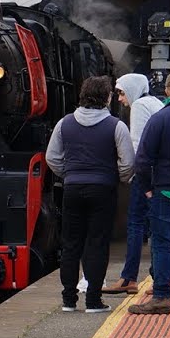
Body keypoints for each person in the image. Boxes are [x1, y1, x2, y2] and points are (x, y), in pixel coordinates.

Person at [46, 76, 134, 314]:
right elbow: (128, 162)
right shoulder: (116, 126)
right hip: (103, 190)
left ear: (83, 96)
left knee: (71, 243)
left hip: (73, 189)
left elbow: (52, 157)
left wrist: (70, 174)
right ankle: (93, 301)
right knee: (97, 243)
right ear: (106, 98)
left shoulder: (64, 124)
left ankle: (68, 300)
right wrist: (117, 178)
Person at [104, 73, 166, 295]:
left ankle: (129, 278)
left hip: (146, 174)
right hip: (160, 173)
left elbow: (137, 144)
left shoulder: (139, 105)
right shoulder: (155, 102)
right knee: (157, 227)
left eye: (121, 93)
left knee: (135, 223)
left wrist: (129, 174)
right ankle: (160, 276)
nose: (120, 99)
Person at [129, 74, 170, 315]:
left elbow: (142, 161)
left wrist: (146, 188)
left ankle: (162, 296)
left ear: (167, 91)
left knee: (163, 243)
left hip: (165, 190)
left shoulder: (159, 119)